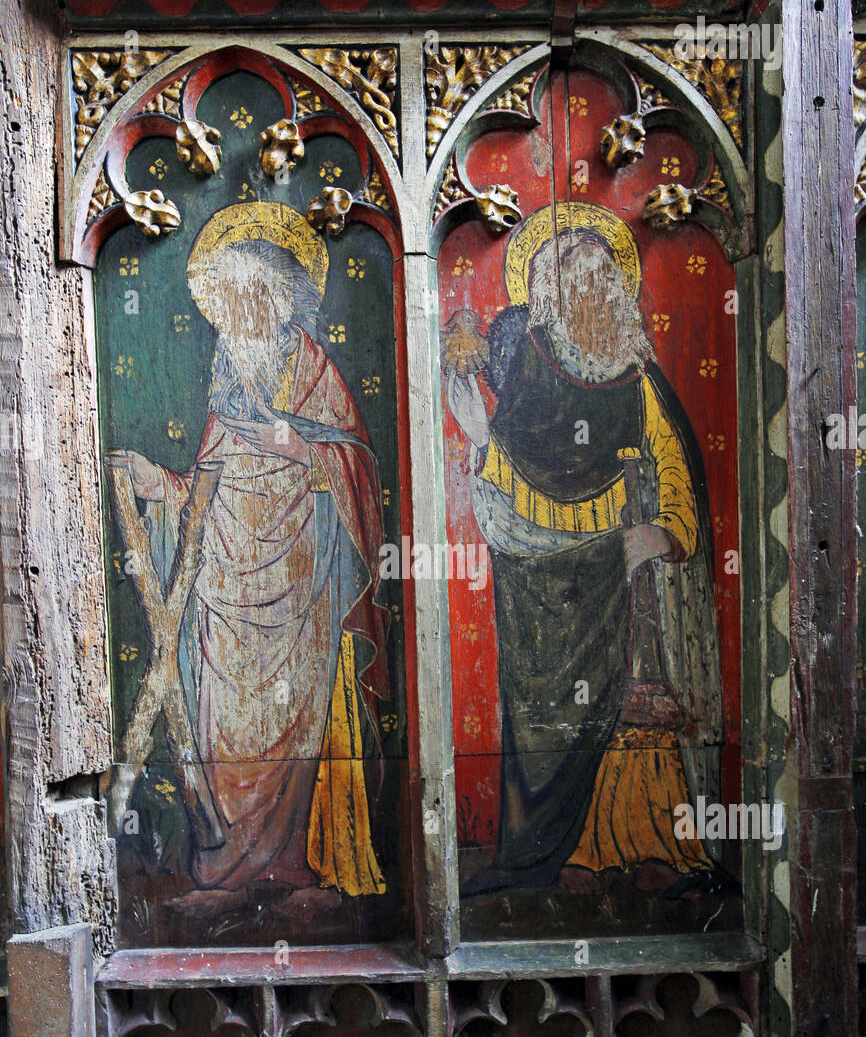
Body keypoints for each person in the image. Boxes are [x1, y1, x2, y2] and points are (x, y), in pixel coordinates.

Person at [443, 203, 721, 895]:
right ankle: (545, 853)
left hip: (621, 574)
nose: (573, 305)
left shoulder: (638, 380)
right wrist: (473, 422)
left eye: (588, 289)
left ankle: (631, 839)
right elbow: (501, 461)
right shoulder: (532, 369)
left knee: (627, 694)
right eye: (558, 292)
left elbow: (676, 465)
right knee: (540, 706)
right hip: (534, 578)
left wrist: (661, 534)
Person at [120, 203, 389, 901]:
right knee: (220, 710)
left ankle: (305, 864)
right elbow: (205, 484)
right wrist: (160, 487)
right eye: (226, 301)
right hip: (226, 580)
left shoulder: (310, 370)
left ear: (273, 299)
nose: (235, 315)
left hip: (305, 581)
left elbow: (355, 463)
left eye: (247, 297)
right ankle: (230, 865)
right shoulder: (230, 381)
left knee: (298, 713)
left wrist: (298, 448)